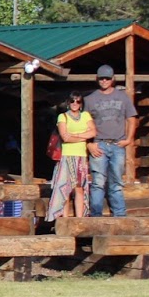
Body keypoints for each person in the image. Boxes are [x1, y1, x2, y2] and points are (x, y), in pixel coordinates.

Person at [85, 64, 137, 218]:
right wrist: (89, 144)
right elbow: (84, 124)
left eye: (107, 78)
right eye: (101, 78)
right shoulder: (90, 99)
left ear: (113, 79)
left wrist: (129, 139)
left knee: (116, 182)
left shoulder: (123, 97)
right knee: (98, 182)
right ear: (97, 79)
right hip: (99, 144)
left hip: (117, 144)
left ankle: (119, 216)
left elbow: (132, 119)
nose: (104, 81)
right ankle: (96, 215)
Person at [48, 92, 96, 221]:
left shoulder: (85, 115)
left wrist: (76, 135)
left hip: (81, 156)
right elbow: (65, 137)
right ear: (68, 103)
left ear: (81, 104)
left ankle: (79, 219)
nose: (75, 103)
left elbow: (93, 132)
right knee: (65, 188)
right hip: (66, 155)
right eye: (72, 101)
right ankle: (65, 218)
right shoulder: (62, 117)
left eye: (78, 101)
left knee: (79, 187)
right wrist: (83, 135)